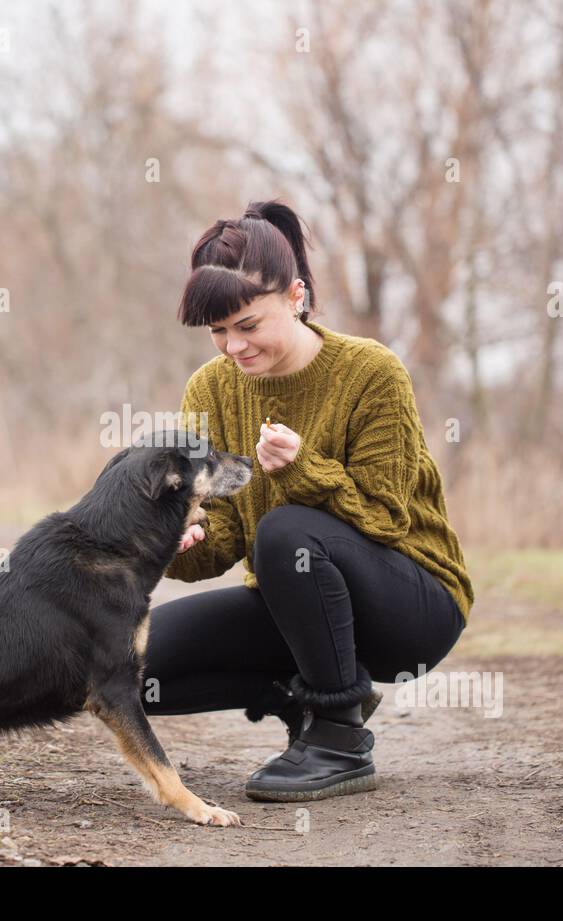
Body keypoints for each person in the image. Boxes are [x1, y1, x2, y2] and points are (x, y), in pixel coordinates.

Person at [143, 199, 474, 803]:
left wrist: (302, 470)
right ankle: (299, 696)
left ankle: (338, 739)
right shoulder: (209, 389)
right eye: (218, 331)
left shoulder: (372, 372)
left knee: (286, 530)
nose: (232, 348)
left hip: (412, 605)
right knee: (125, 665)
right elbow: (218, 538)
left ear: (295, 296)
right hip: (298, 608)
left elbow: (385, 517)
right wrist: (174, 536)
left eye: (248, 325)